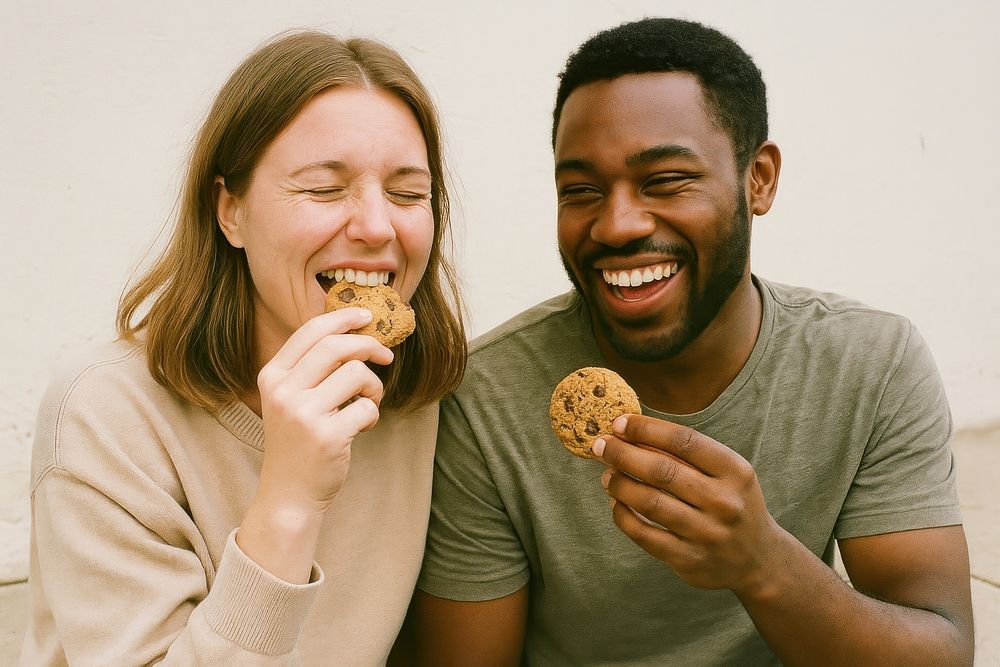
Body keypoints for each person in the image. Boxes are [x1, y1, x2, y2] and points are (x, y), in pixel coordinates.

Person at [410, 17, 974, 665]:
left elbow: (944, 651)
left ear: (758, 179)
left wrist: (762, 563)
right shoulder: (487, 399)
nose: (617, 224)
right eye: (582, 190)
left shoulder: (872, 364)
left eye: (666, 180)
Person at [20, 30, 465, 665]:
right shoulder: (105, 416)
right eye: (323, 187)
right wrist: (288, 501)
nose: (375, 226)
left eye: (407, 194)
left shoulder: (426, 401)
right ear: (231, 210)